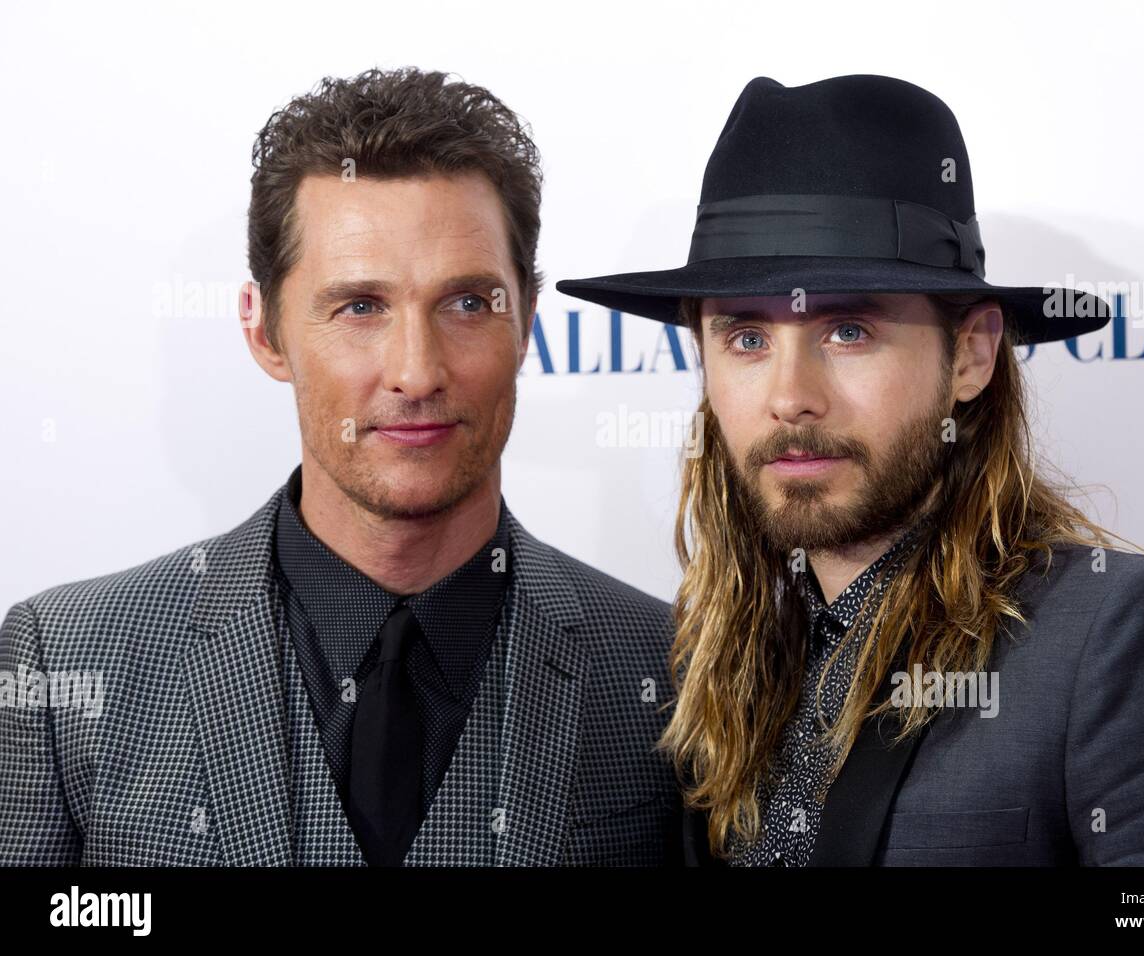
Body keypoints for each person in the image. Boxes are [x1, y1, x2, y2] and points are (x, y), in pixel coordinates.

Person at [556, 74, 1144, 865]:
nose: (790, 398)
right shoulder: (710, 670)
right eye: (745, 339)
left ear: (972, 355)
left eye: (847, 331)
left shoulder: (1130, 635)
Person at [0, 68, 677, 866]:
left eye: (467, 304)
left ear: (526, 322)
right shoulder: (69, 662)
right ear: (265, 332)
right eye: (360, 306)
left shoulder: (668, 668)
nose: (417, 372)